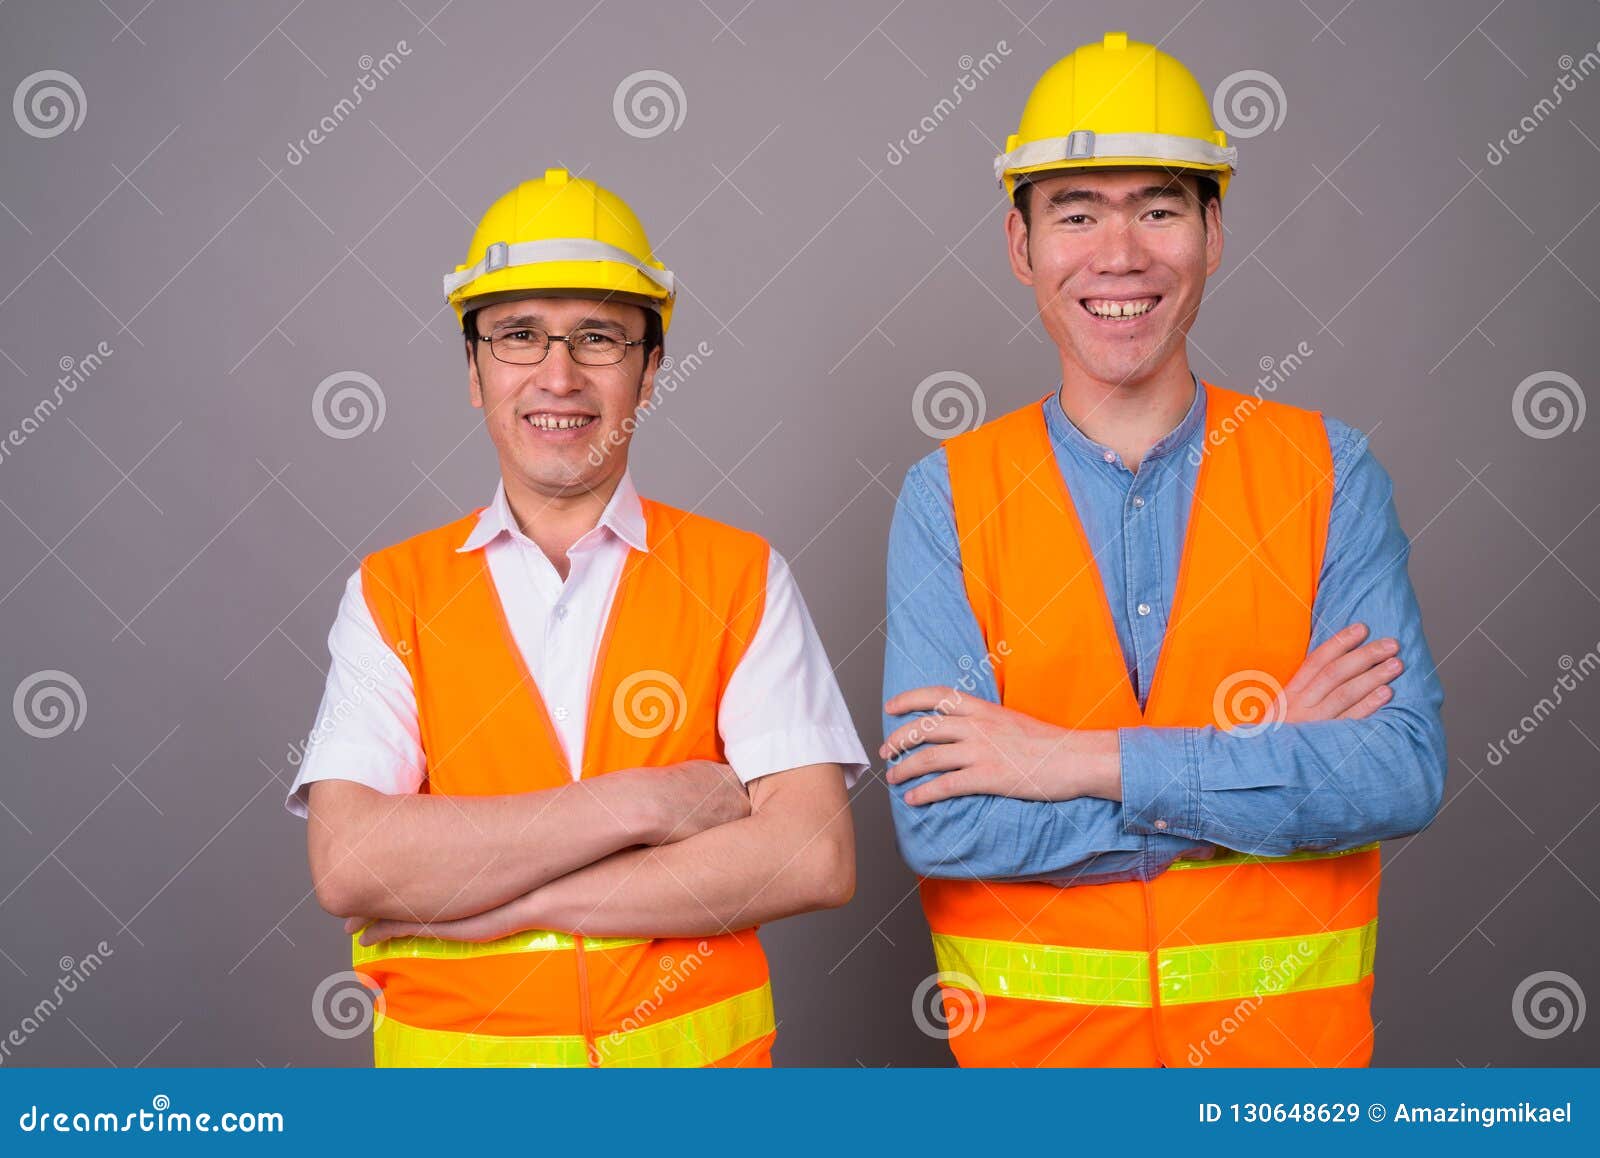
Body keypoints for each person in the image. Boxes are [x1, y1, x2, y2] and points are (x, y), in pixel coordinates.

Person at [881, 33, 1446, 1066]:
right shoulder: (946, 498)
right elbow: (946, 827)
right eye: (1077, 212)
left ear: (1212, 231)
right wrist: (1263, 759)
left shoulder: (1330, 471)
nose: (1119, 254)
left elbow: (1397, 774)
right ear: (1021, 247)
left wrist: (1069, 762)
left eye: (1157, 206)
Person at [287, 169, 867, 1067]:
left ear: (650, 369)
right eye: (519, 335)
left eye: (598, 337)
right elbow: (353, 864)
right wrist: (645, 802)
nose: (558, 374)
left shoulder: (740, 575)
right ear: (474, 370)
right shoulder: (392, 591)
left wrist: (513, 896)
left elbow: (811, 857)